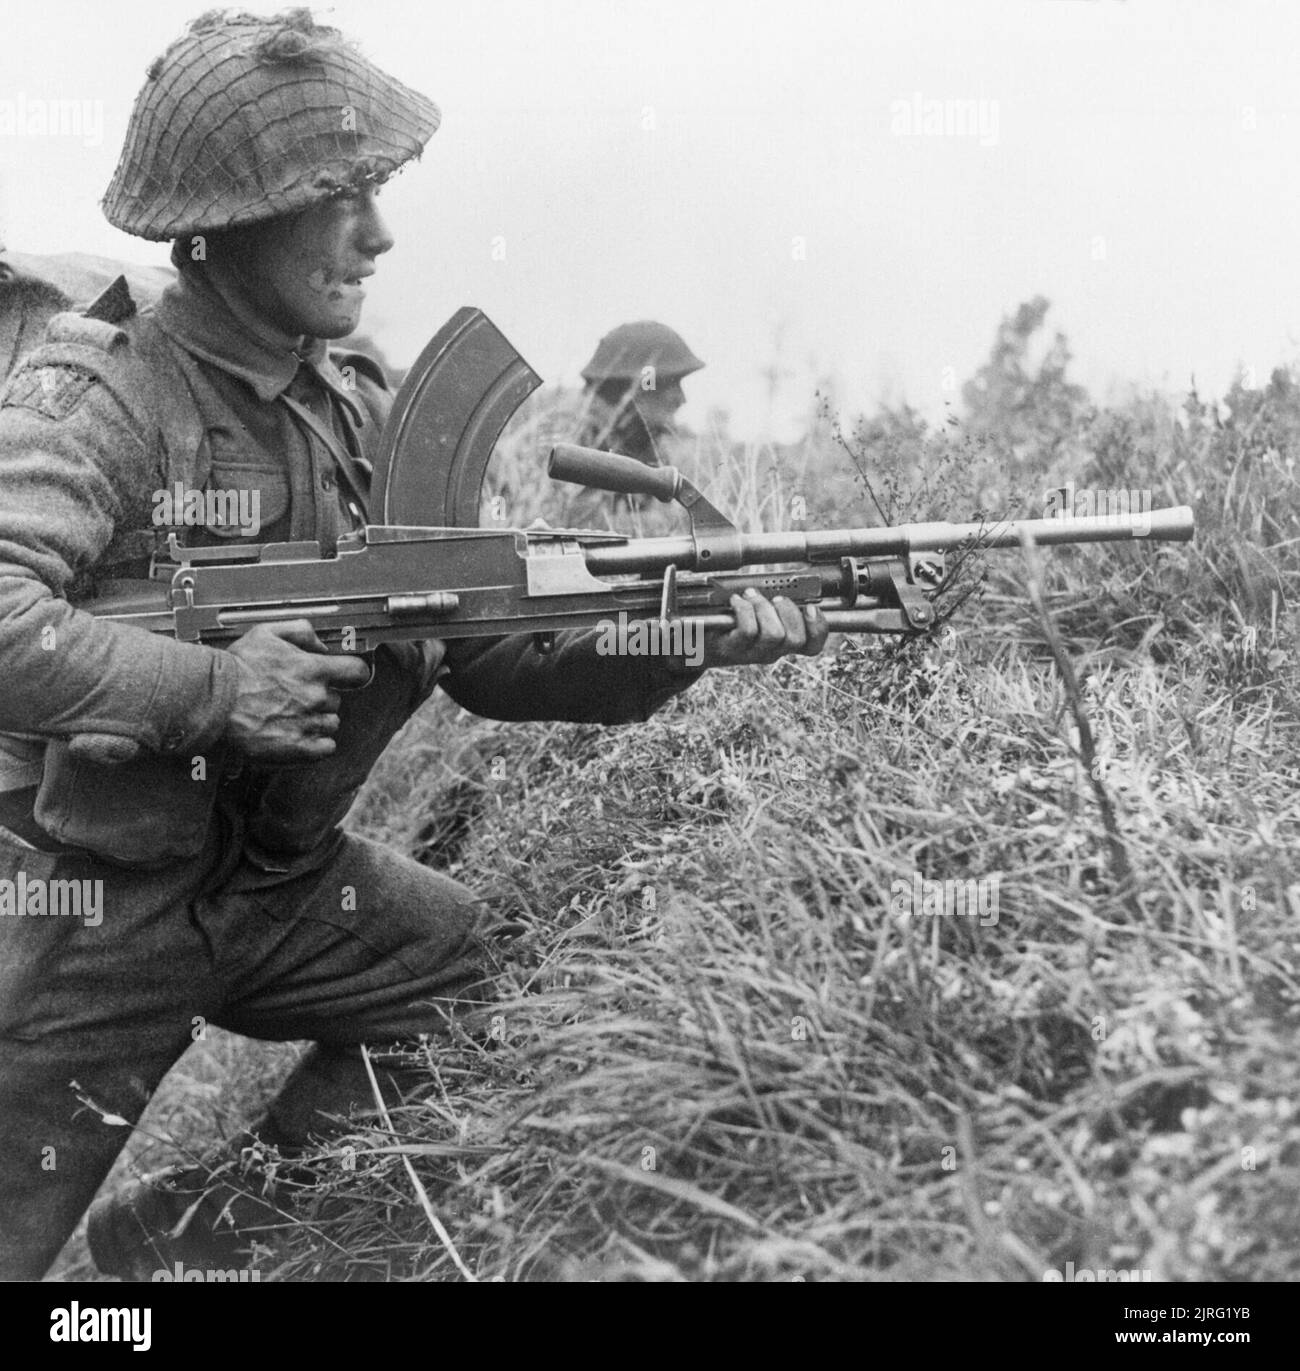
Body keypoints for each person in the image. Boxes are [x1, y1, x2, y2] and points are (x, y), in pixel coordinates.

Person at [0, 8, 827, 1281]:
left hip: (283, 887)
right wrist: (218, 690)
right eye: (340, 199)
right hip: (93, 912)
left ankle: (182, 1244)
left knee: (467, 982)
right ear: (231, 214)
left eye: (375, 196)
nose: (377, 235)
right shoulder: (101, 391)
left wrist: (685, 634)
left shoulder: (361, 408)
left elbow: (481, 656)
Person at [560, 321, 706, 528]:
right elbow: (571, 524)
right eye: (672, 382)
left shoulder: (648, 448)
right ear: (634, 386)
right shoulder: (567, 442)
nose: (681, 398)